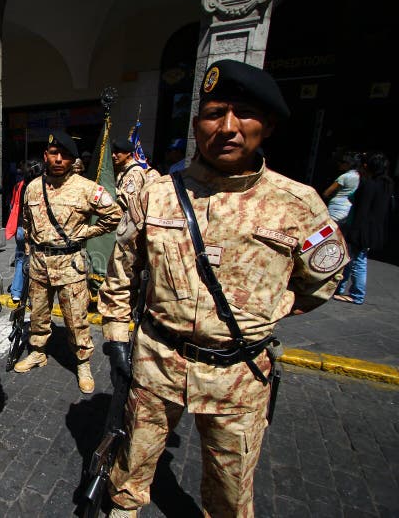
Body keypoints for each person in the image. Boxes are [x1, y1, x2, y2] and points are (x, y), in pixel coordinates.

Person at [98, 59, 348, 517]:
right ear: (197, 126)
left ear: (267, 126)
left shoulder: (298, 205)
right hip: (157, 364)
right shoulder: (154, 194)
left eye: (245, 114)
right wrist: (116, 337)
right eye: (215, 114)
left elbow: (321, 280)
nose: (228, 127)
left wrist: (266, 308)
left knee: (231, 491)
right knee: (132, 463)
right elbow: (120, 272)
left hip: (239, 376)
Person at [13, 130, 121, 393]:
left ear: (73, 160)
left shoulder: (87, 188)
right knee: (37, 312)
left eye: (65, 155)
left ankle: (82, 362)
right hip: (39, 264)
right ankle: (38, 350)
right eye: (54, 153)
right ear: (45, 155)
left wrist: (86, 232)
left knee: (76, 318)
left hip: (70, 265)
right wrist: (29, 248)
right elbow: (26, 222)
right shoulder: (32, 188)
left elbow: (114, 215)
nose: (59, 159)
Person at [333, 151, 394, 305]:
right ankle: (339, 288)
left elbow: (359, 206)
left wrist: (352, 230)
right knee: (350, 259)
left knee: (358, 262)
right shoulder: (387, 185)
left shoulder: (368, 184)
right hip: (373, 230)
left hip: (361, 230)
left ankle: (357, 294)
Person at [6, 159, 43, 302]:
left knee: (20, 259)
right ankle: (33, 294)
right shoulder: (40, 188)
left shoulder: (18, 186)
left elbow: (12, 205)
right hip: (34, 229)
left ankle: (16, 291)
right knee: (37, 261)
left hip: (20, 227)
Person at [111, 136, 160, 213]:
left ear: (128, 153)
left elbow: (129, 201)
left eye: (117, 152)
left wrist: (110, 189)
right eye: (113, 152)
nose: (113, 156)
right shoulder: (122, 169)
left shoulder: (135, 172)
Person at [322, 150, 361, 223]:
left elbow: (326, 193)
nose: (339, 164)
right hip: (348, 209)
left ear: (349, 164)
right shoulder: (360, 177)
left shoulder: (344, 177)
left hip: (336, 208)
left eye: (343, 162)